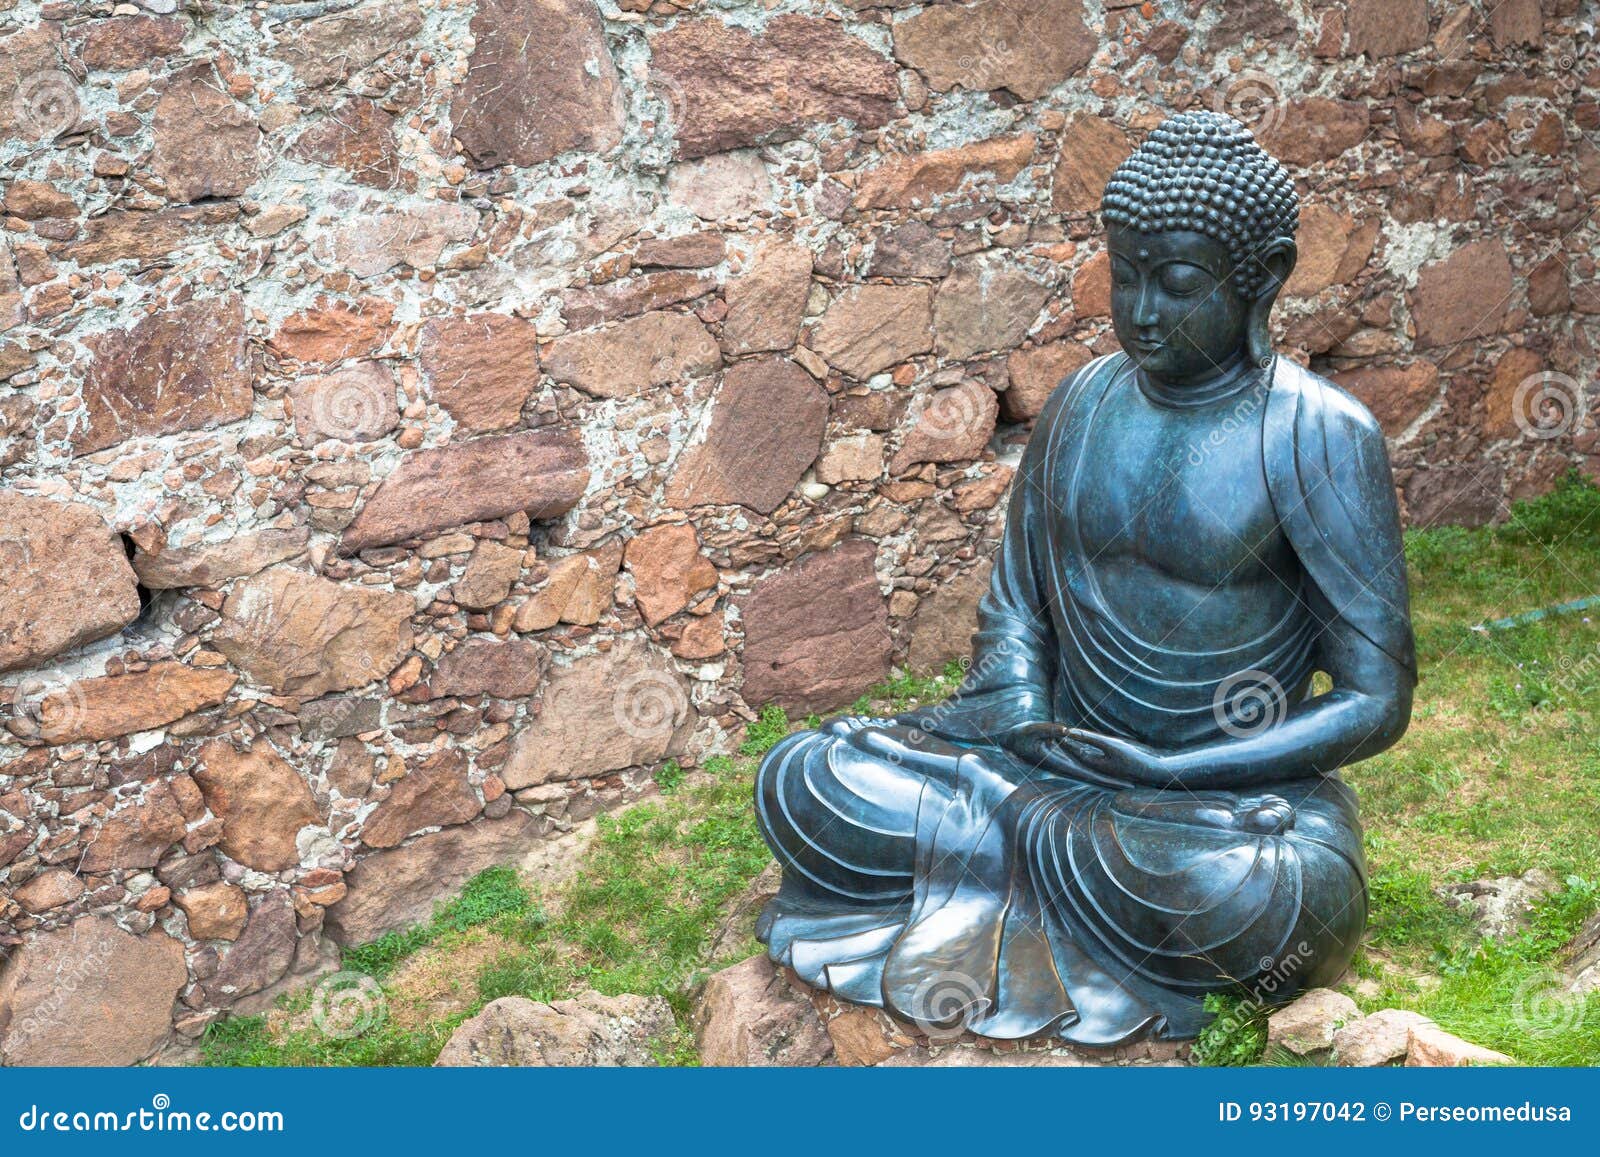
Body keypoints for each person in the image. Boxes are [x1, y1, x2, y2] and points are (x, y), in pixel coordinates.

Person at [752, 111, 1416, 1045]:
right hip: (1049, 765)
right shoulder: (1081, 404)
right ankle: (1008, 846)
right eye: (1126, 276)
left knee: (1283, 899)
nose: (1142, 311)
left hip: (1214, 808)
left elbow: (1374, 698)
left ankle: (997, 866)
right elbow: (1016, 603)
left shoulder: (1318, 437)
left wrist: (1177, 767)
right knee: (807, 776)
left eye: (1177, 284)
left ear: (1262, 277)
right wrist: (1020, 713)